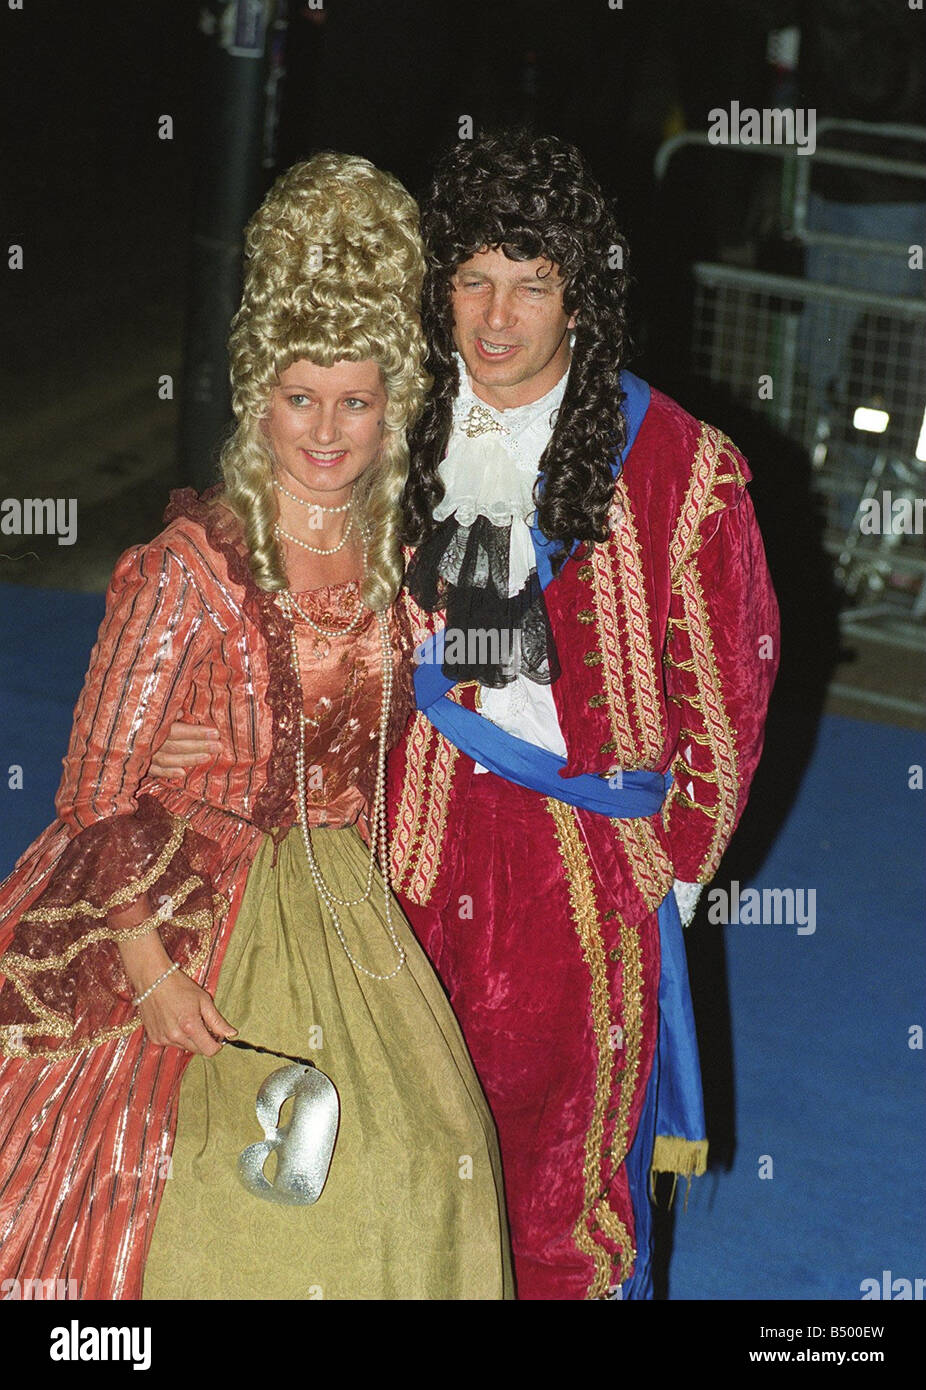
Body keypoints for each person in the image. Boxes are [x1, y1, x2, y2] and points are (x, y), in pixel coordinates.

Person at [152, 131, 780, 1301]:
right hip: (396, 849)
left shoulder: (679, 466)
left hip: (580, 879)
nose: (496, 318)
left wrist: (662, 870)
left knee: (560, 1191)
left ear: (579, 298)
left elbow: (727, 695)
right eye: (473, 280)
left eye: (531, 285)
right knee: (393, 1163)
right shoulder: (381, 428)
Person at [0, 153, 513, 1301]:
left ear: (396, 408)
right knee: (226, 1192)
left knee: (424, 1154)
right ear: (255, 395)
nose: (325, 431)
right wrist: (147, 973)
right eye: (298, 397)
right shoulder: (184, 572)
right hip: (182, 899)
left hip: (345, 902)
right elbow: (91, 793)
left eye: (356, 401)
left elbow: (438, 746)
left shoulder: (407, 567)